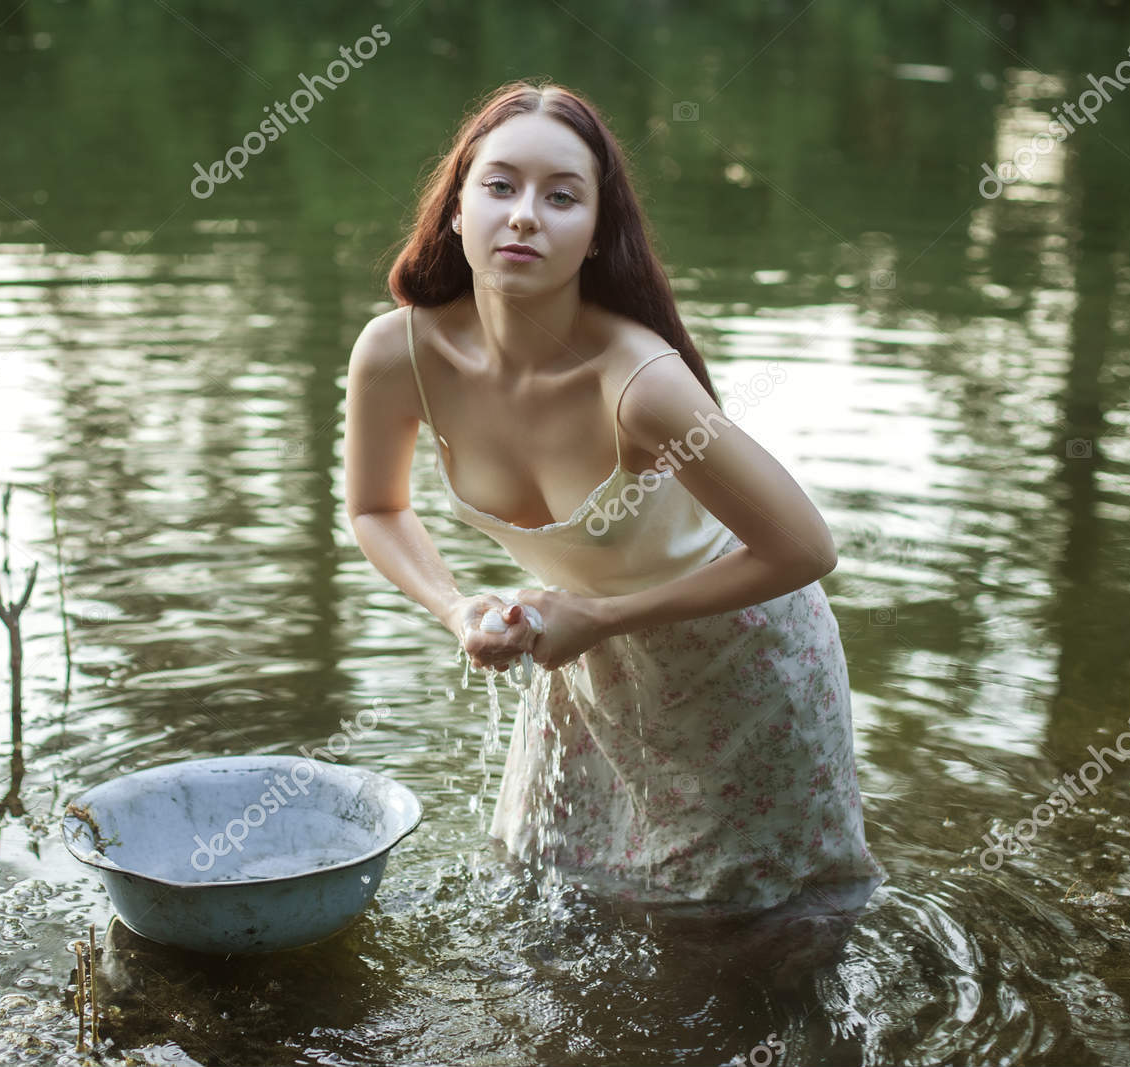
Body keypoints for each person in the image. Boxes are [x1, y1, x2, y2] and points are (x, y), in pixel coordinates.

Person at [343, 80, 885, 971]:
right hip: (583, 648)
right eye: (500, 186)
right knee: (553, 900)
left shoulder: (638, 384)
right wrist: (457, 608)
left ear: (596, 233)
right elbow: (375, 507)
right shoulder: (397, 354)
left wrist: (599, 617)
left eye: (561, 196)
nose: (525, 216)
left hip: (741, 668)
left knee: (746, 937)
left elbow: (804, 548)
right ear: (455, 207)